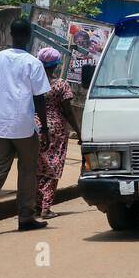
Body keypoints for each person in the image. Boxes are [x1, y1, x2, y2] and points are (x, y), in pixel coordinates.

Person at [0, 18, 51, 236]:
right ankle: (25, 217)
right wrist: (45, 128)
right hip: (23, 127)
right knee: (27, 170)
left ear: (10, 35)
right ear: (29, 36)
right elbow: (39, 98)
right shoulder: (33, 63)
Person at [34, 47, 80, 220]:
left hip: (34, 127)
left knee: (38, 168)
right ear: (55, 65)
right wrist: (79, 133)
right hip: (56, 130)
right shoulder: (61, 85)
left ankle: (36, 205)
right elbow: (68, 112)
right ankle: (46, 207)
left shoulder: (33, 83)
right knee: (52, 168)